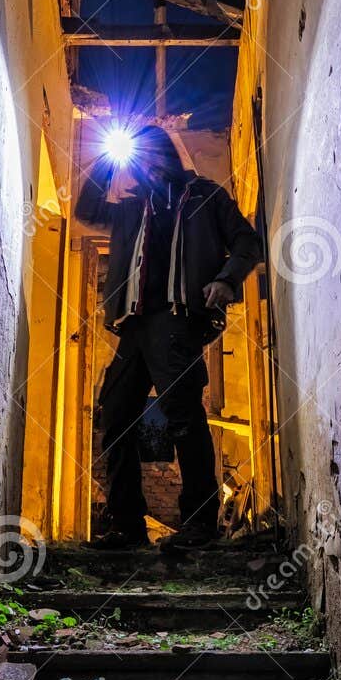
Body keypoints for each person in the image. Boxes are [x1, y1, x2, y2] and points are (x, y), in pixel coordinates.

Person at [75, 125, 263, 551]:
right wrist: (107, 160)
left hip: (176, 321)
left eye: (150, 156)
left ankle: (198, 525)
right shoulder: (131, 208)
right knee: (116, 416)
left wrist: (226, 281)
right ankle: (127, 526)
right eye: (138, 160)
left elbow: (247, 242)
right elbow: (87, 207)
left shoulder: (204, 196)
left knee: (183, 418)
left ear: (165, 154)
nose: (146, 166)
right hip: (135, 324)